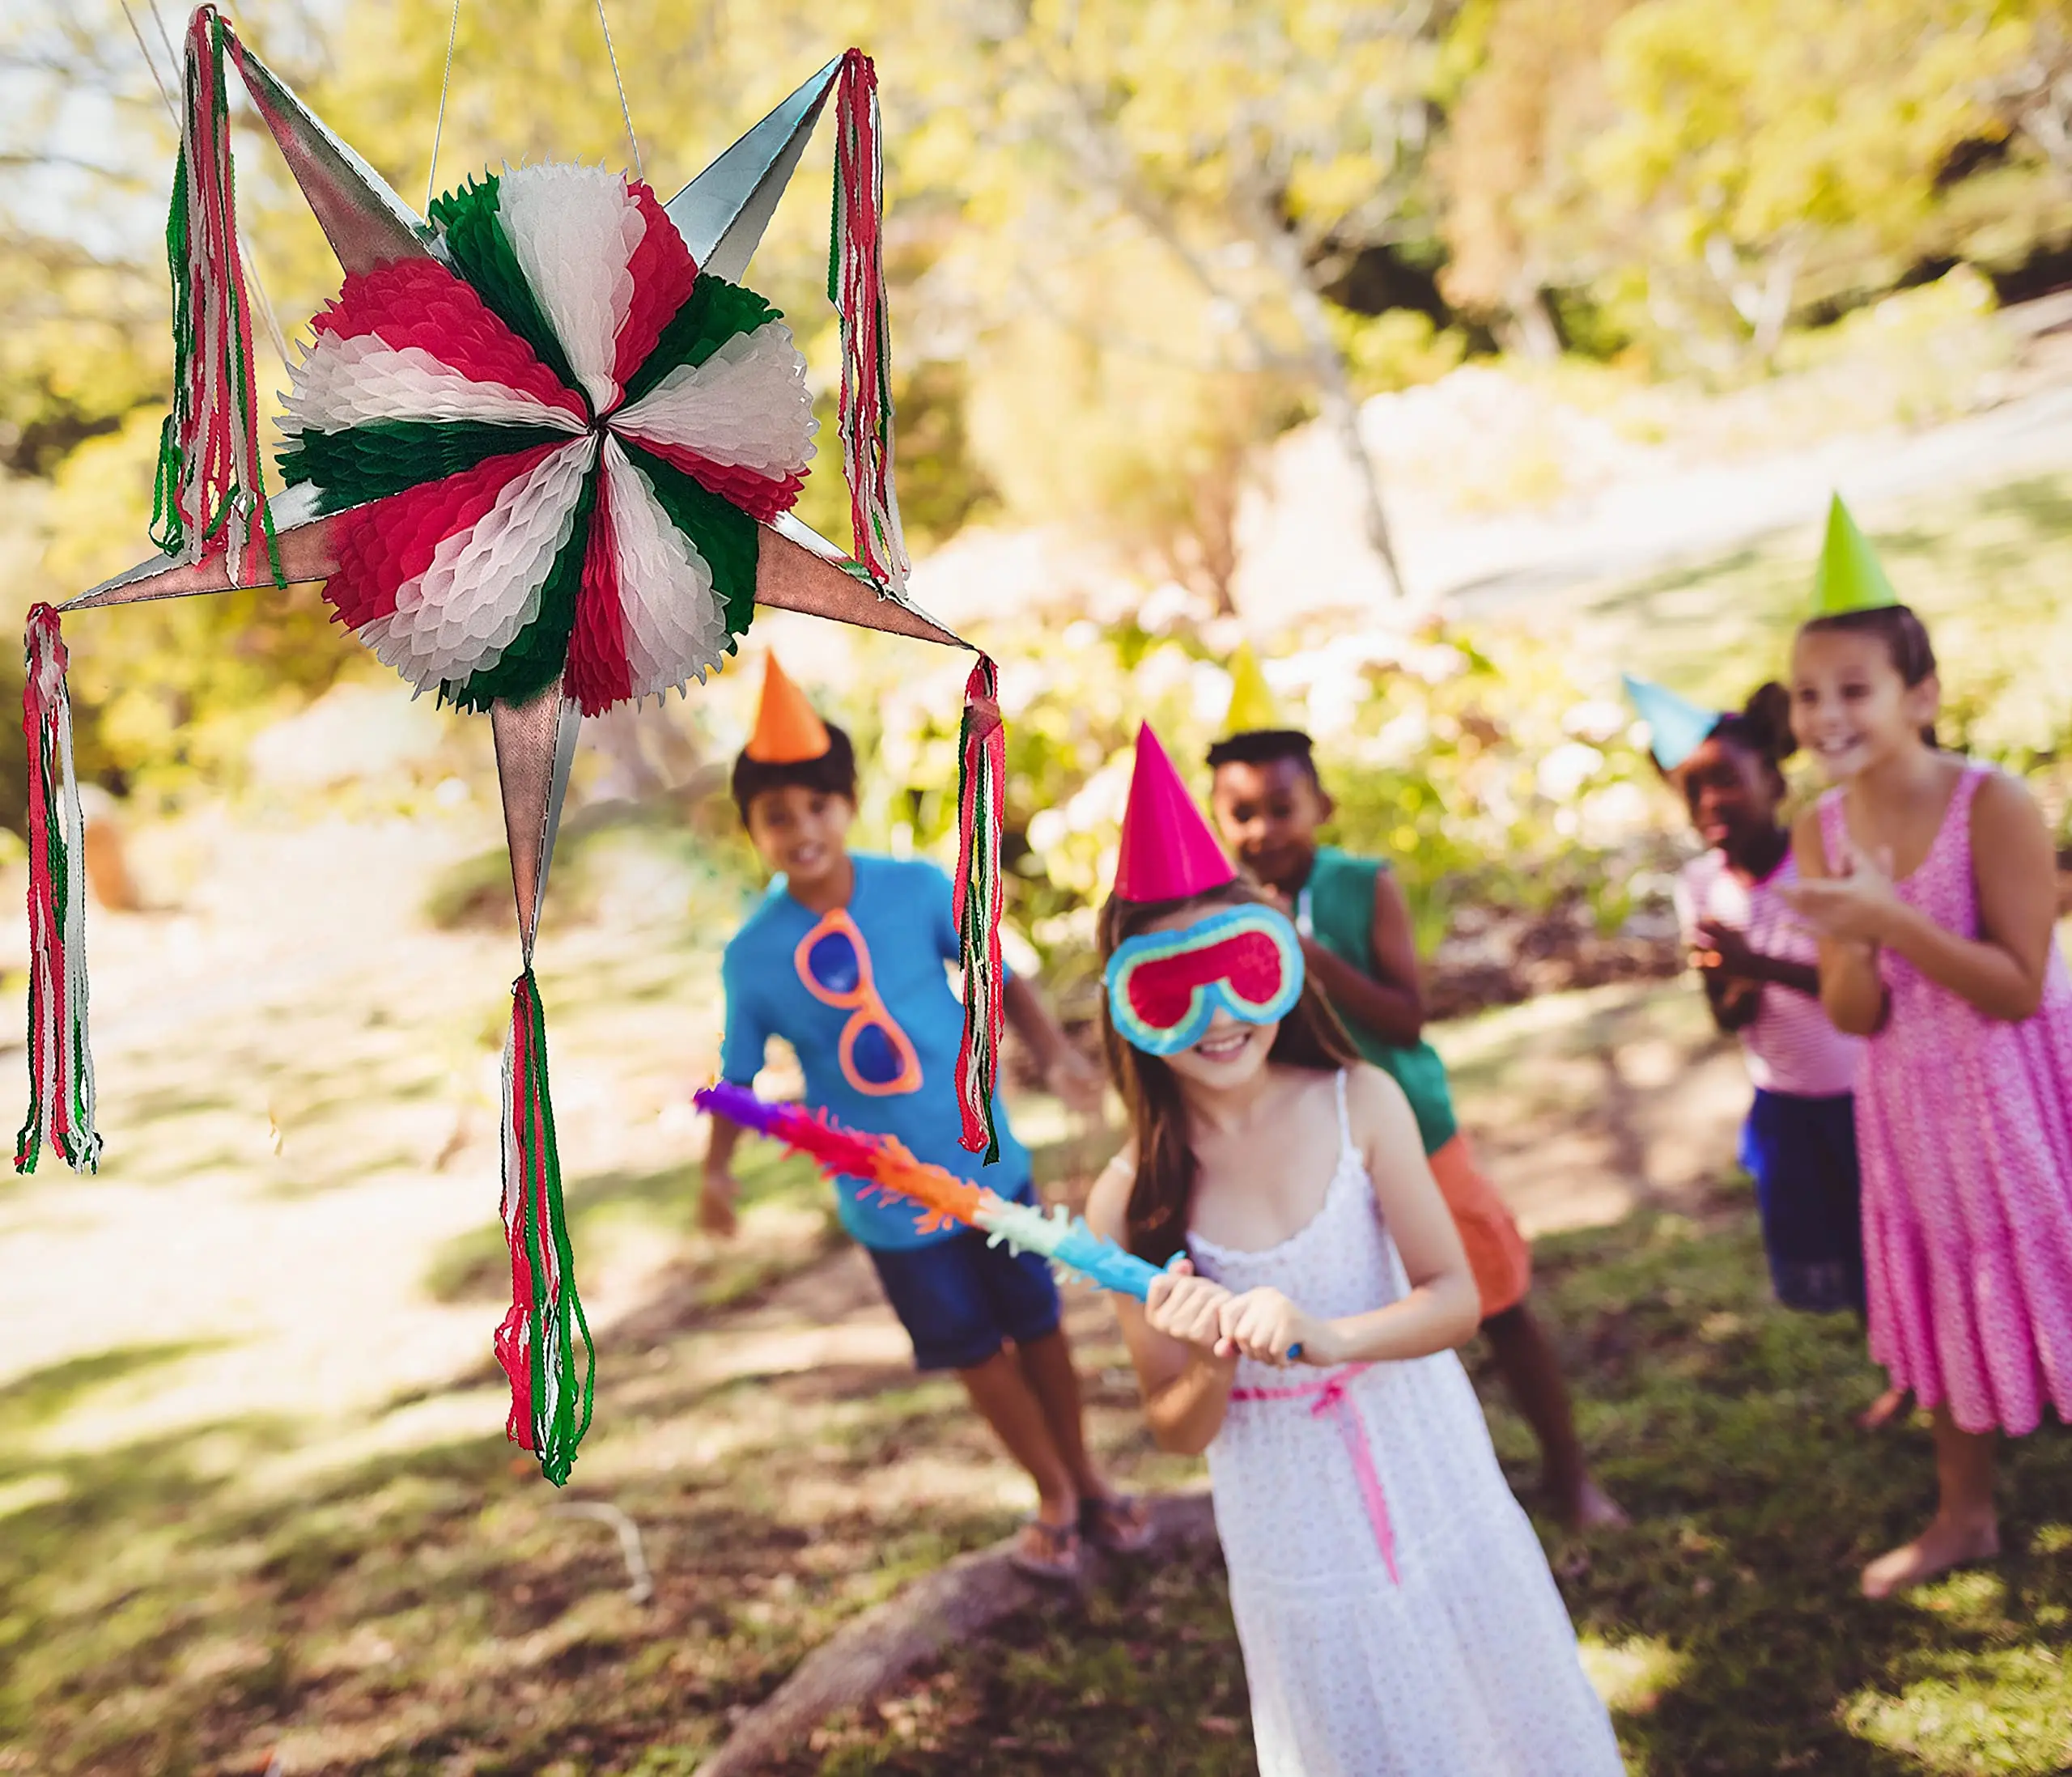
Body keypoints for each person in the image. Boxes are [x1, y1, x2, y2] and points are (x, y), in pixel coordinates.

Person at [1087, 724, 1624, 1777]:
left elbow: (1457, 1297)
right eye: (1170, 988)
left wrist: (1327, 1335)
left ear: (1278, 962)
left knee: (1502, 1707)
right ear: (1126, 1005)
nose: (1215, 1016)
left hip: (1430, 1466)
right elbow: (1175, 1429)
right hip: (1292, 1531)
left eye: (1238, 968)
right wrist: (1209, 1360)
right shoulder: (1131, 1205)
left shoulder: (1359, 1103)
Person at [701, 654, 1145, 1580]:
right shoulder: (752, 956)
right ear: (752, 830)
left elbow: (995, 969)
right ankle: (1052, 1491)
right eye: (777, 817)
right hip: (889, 1202)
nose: (801, 829)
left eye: (816, 807)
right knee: (975, 1350)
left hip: (989, 1167)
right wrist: (717, 1168)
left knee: (1038, 1326)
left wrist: (1058, 1055)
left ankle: (1089, 1477)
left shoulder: (910, 887)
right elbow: (735, 1075)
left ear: (846, 804)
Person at [1206, 676, 1625, 1529]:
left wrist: (1309, 955)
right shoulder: (1220, 911)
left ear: (1319, 804)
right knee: (1367, 1314)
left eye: (1279, 807)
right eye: (1240, 813)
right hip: (1312, 1154)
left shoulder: (1365, 885)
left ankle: (1571, 1476)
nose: (1260, 831)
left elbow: (1405, 1013)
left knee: (1493, 1300)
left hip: (1415, 1132)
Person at [1779, 496, 2072, 1598]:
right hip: (1914, 1101)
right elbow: (1855, 1016)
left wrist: (1892, 920)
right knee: (1945, 1284)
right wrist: (1852, 944)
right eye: (1809, 695)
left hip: (2026, 1084)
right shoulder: (1821, 828)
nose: (1826, 715)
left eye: (1854, 689)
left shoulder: (1993, 803)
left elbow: (2012, 984)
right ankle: (1966, 1514)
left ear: (1923, 696)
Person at [1634, 674, 1903, 1425]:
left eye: (1726, 780)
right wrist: (1732, 980)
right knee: (1845, 1249)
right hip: (1785, 1103)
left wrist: (1758, 963)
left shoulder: (1819, 861)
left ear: (1775, 778)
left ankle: (1932, 1360)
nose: (1711, 803)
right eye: (1693, 792)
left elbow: (1859, 988)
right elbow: (1726, 1017)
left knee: (1893, 1237)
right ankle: (1897, 1370)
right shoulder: (1699, 885)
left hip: (1861, 1094)